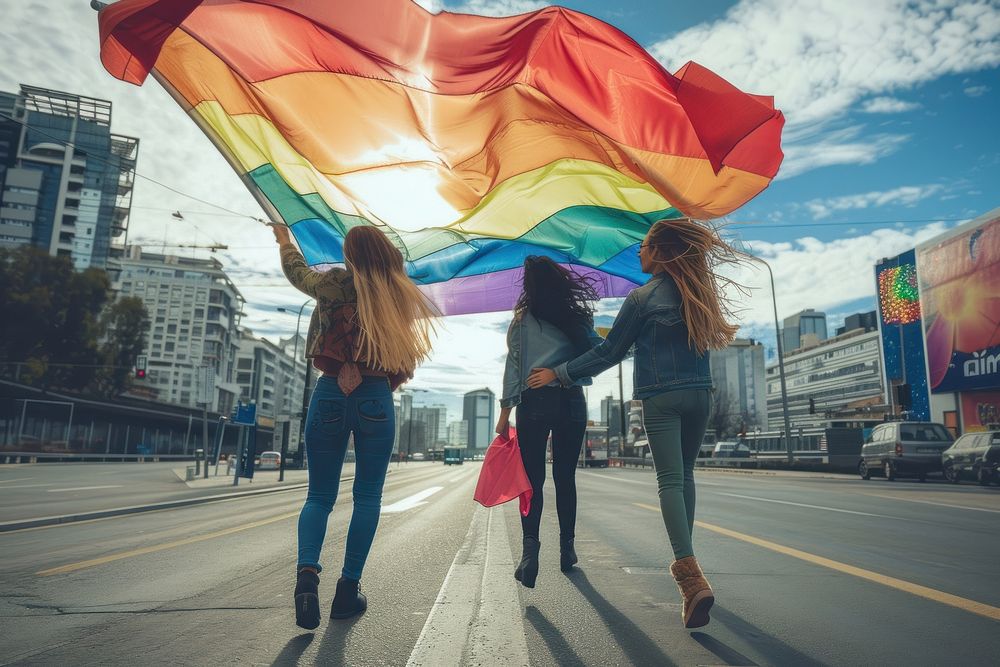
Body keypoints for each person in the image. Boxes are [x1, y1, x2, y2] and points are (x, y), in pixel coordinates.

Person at [527, 219, 742, 628]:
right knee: (685, 477)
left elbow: (609, 352)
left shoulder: (643, 298)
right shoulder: (699, 293)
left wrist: (560, 373)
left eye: (643, 245)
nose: (639, 252)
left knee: (670, 481)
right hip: (701, 395)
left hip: (662, 396)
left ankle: (690, 577)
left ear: (659, 252)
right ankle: (691, 572)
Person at [271, 223, 437, 630]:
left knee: (318, 496)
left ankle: (306, 578)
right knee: (367, 498)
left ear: (350, 255)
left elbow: (298, 274)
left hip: (329, 392)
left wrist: (285, 242)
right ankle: (348, 591)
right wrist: (376, 383)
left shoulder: (334, 282)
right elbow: (405, 362)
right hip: (375, 395)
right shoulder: (397, 294)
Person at [497, 256, 603, 588]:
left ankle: (530, 553)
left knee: (532, 481)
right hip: (572, 400)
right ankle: (567, 549)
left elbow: (513, 369)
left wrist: (504, 414)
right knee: (565, 478)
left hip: (534, 403)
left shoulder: (521, 321)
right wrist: (562, 372)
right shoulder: (578, 318)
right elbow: (600, 354)